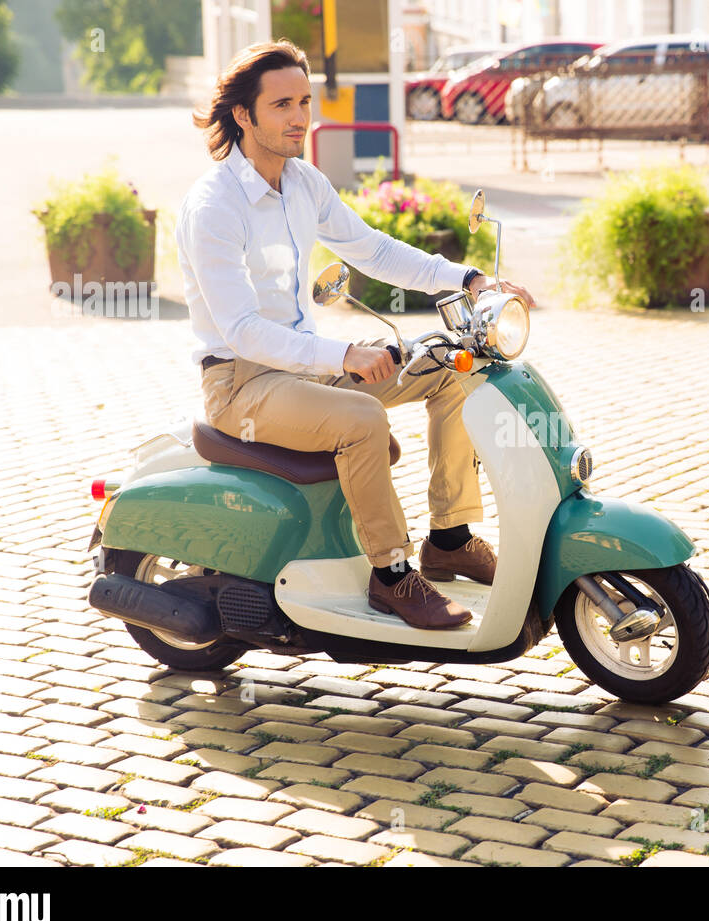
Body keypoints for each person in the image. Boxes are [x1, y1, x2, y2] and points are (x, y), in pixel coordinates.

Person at [177, 40, 536, 630]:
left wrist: (467, 279)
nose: (300, 118)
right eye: (282, 105)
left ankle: (448, 536)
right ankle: (391, 575)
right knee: (362, 422)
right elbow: (242, 331)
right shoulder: (214, 205)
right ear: (243, 116)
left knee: (457, 367)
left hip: (307, 370)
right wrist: (345, 352)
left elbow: (371, 249)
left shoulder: (303, 182)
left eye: (306, 101)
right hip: (242, 385)